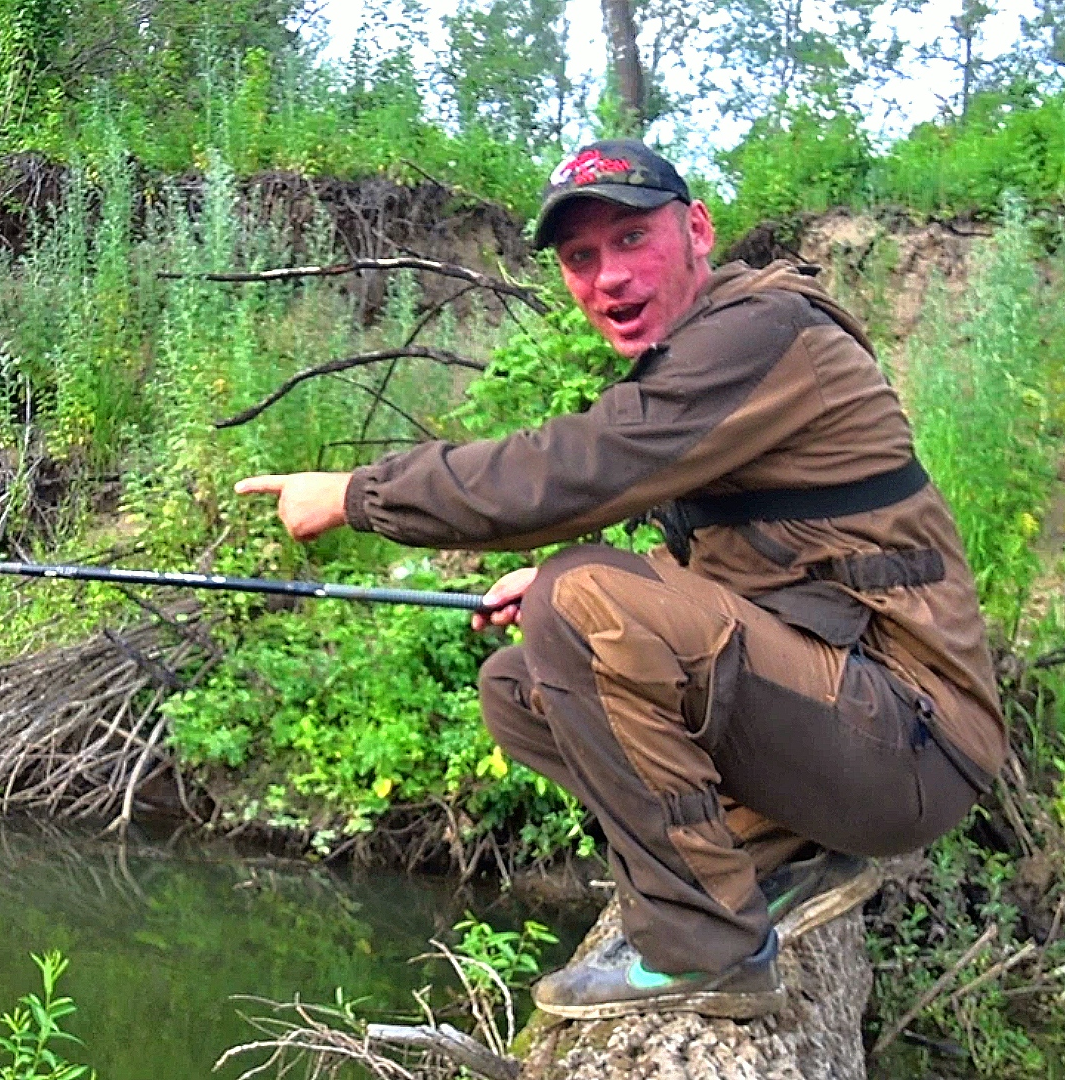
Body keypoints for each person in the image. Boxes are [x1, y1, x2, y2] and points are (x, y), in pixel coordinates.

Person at [235, 139, 1005, 1021]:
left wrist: (356, 494)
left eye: (632, 239)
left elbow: (578, 469)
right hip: (853, 723)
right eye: (580, 258)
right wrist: (587, 586)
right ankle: (776, 854)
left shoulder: (761, 332)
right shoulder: (711, 348)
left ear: (698, 230)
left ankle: (706, 948)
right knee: (520, 687)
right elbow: (766, 557)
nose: (608, 277)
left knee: (580, 597)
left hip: (914, 743)